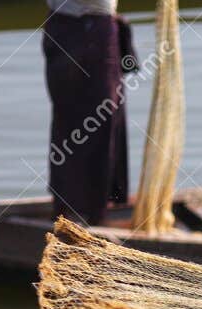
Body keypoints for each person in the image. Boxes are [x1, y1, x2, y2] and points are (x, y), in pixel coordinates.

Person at [43, 0, 131, 225]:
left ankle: (95, 214)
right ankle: (77, 217)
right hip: (76, 31)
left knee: (104, 120)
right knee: (82, 122)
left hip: (94, 29)